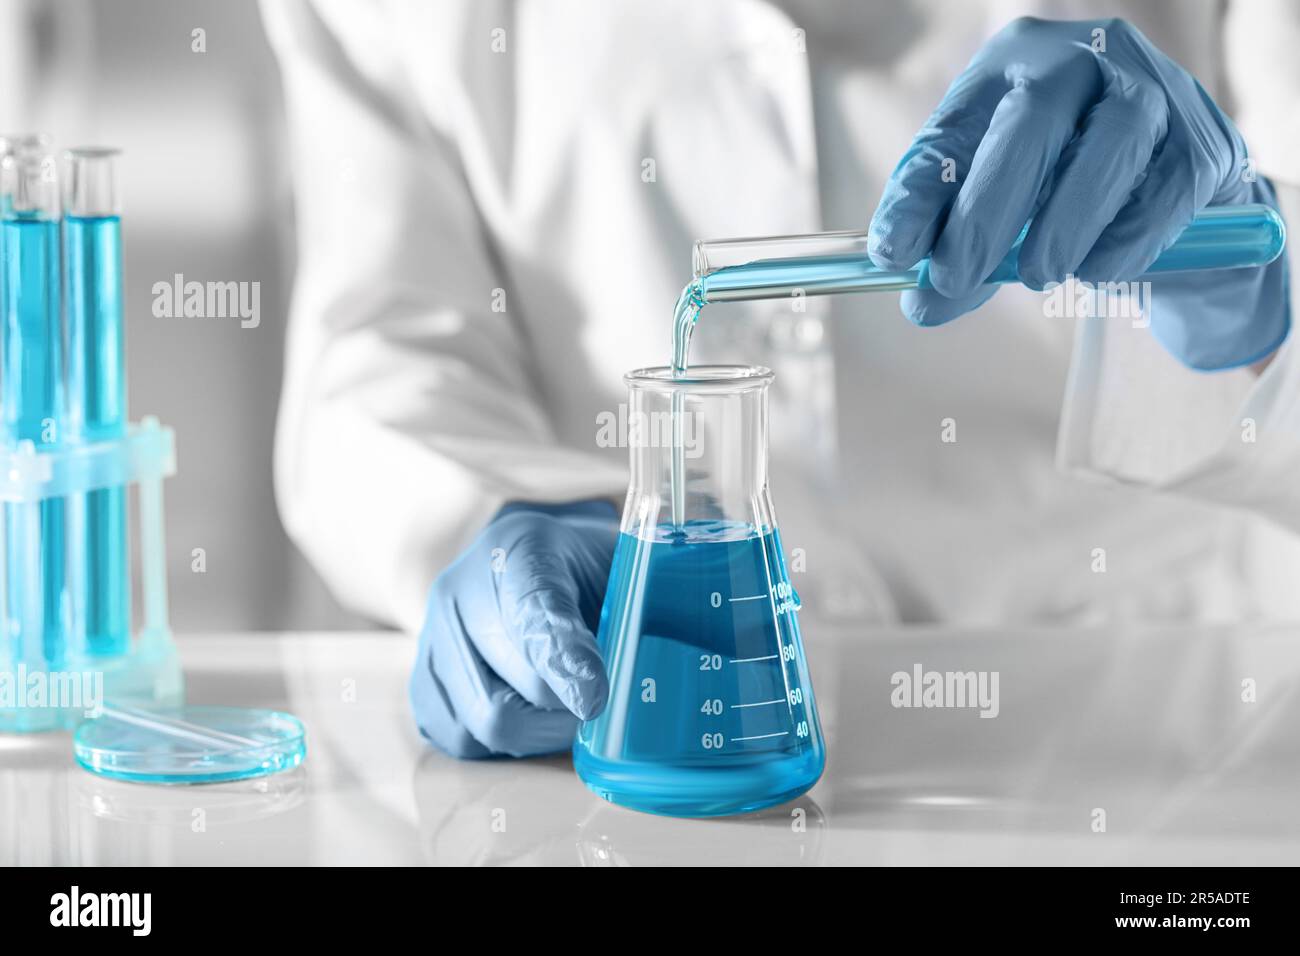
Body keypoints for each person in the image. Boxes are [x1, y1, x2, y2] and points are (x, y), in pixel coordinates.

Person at [263, 0, 1300, 758]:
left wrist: (1252, 302)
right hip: (674, 732)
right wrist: (502, 518)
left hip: (1168, 748)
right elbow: (383, 350)